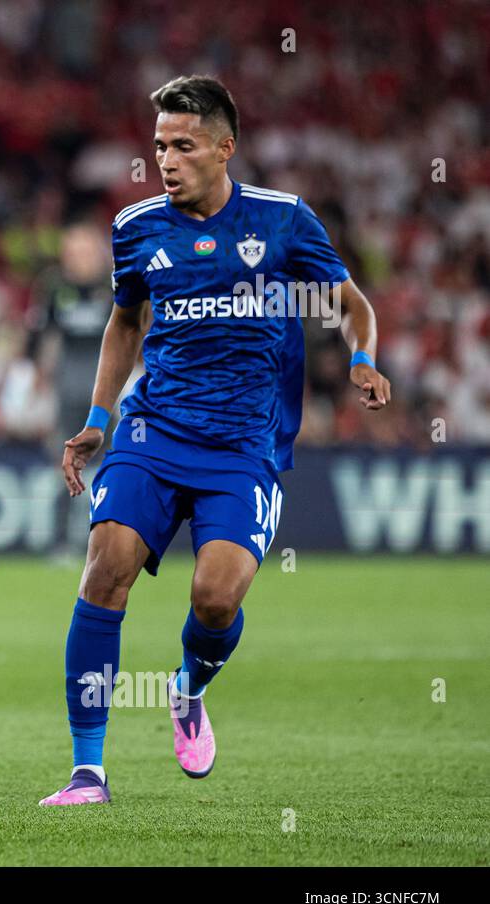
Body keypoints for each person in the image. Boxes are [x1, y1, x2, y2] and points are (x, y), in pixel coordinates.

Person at [42, 75, 391, 806]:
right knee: (106, 567)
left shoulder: (283, 220)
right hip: (154, 427)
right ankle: (87, 772)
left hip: (244, 444)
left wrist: (360, 356)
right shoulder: (136, 228)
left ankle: (188, 687)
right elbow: (125, 323)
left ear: (225, 148)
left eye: (184, 146)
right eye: (160, 145)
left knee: (216, 600)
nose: (166, 160)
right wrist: (100, 421)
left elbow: (350, 301)